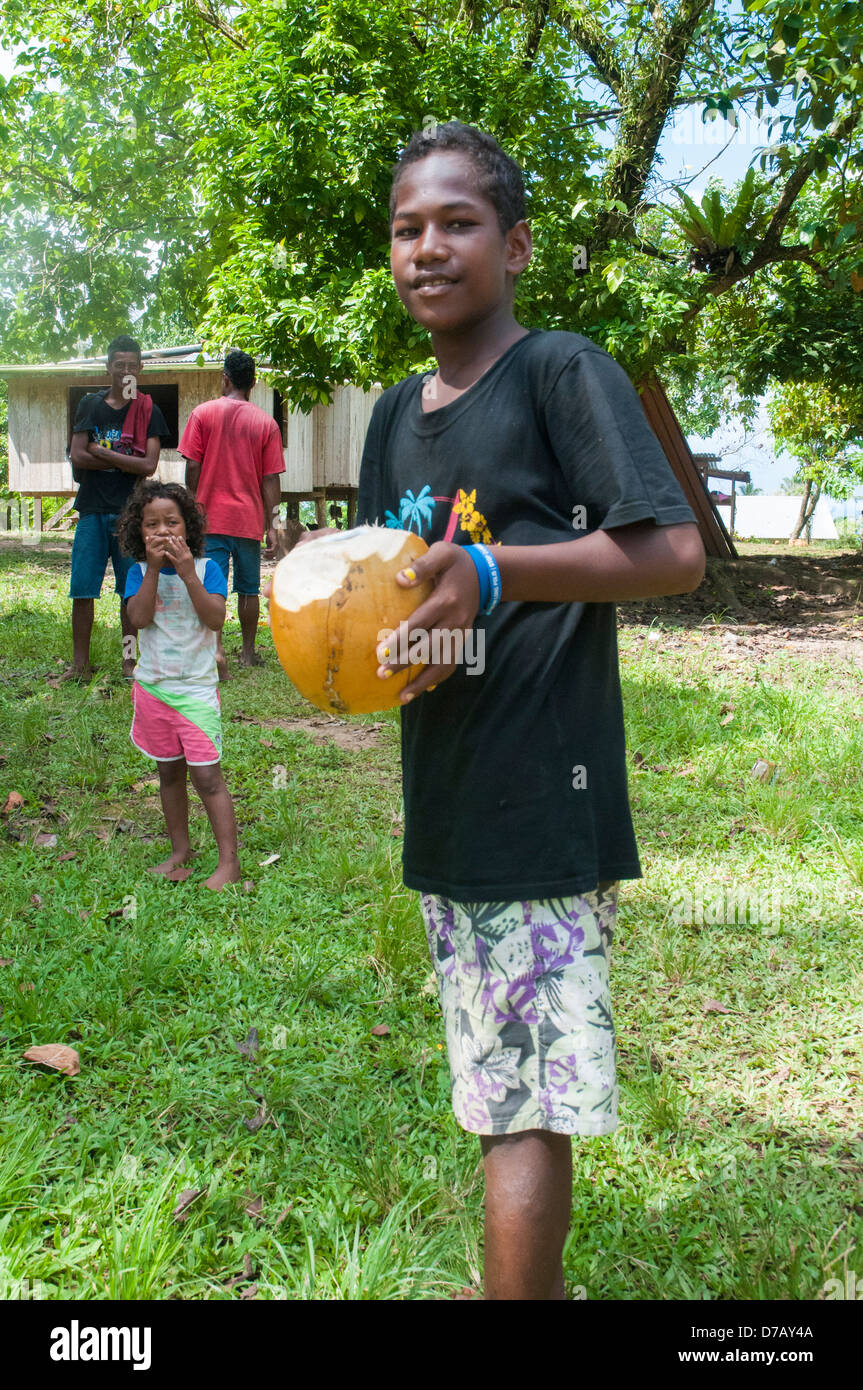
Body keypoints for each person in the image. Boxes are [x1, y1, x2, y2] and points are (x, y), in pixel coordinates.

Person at [292, 122, 706, 1300]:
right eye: (406, 227)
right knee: (496, 1077)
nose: (427, 247)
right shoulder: (388, 417)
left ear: (515, 244)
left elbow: (670, 550)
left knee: (520, 1099)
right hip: (452, 785)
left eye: (457, 223)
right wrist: (371, 648)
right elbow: (395, 586)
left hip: (543, 776)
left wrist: (494, 571)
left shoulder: (557, 370)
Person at [118, 479, 240, 892]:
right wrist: (153, 569)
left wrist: (188, 574)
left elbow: (215, 618)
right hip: (154, 689)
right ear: (139, 532)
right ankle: (180, 851)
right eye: (152, 524)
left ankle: (229, 863)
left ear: (189, 528)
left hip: (196, 692)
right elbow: (138, 619)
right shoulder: (138, 573)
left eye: (172, 522)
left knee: (208, 778)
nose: (163, 531)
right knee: (168, 774)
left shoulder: (209, 569)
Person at [67, 335, 170, 678]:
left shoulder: (148, 410)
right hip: (93, 510)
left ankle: (129, 661)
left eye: (131, 365)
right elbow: (77, 453)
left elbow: (148, 466)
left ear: (140, 368)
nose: (125, 371)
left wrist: (103, 453)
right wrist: (124, 460)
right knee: (83, 590)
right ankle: (80, 664)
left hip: (130, 515)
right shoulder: (90, 405)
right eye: (119, 365)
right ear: (109, 367)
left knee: (131, 593)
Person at [179, 349, 285, 675]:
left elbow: (193, 466)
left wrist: (193, 503)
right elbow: (270, 480)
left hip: (210, 518)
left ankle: (216, 649)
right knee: (248, 589)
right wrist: (274, 522)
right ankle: (249, 653)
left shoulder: (203, 414)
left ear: (225, 378)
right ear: (253, 382)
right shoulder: (266, 423)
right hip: (248, 520)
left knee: (213, 586)